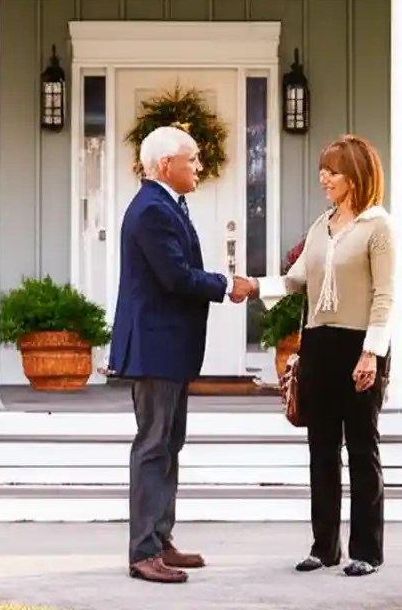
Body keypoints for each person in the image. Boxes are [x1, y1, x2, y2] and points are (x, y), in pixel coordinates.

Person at [108, 125, 255, 584]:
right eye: (191, 159)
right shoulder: (152, 209)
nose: (198, 167)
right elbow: (175, 276)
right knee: (153, 448)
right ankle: (143, 552)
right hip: (154, 350)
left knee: (168, 446)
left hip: (168, 350)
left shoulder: (167, 204)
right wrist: (229, 285)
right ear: (165, 164)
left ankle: (160, 539)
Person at [246, 134, 393, 577]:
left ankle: (366, 551)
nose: (323, 177)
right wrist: (253, 287)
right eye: (322, 170)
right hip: (318, 345)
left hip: (358, 347)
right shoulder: (321, 225)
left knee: (363, 448)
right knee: (321, 449)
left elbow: (384, 295)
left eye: (332, 170)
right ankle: (324, 546)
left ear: (356, 176)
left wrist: (371, 354)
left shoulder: (377, 226)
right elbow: (295, 280)